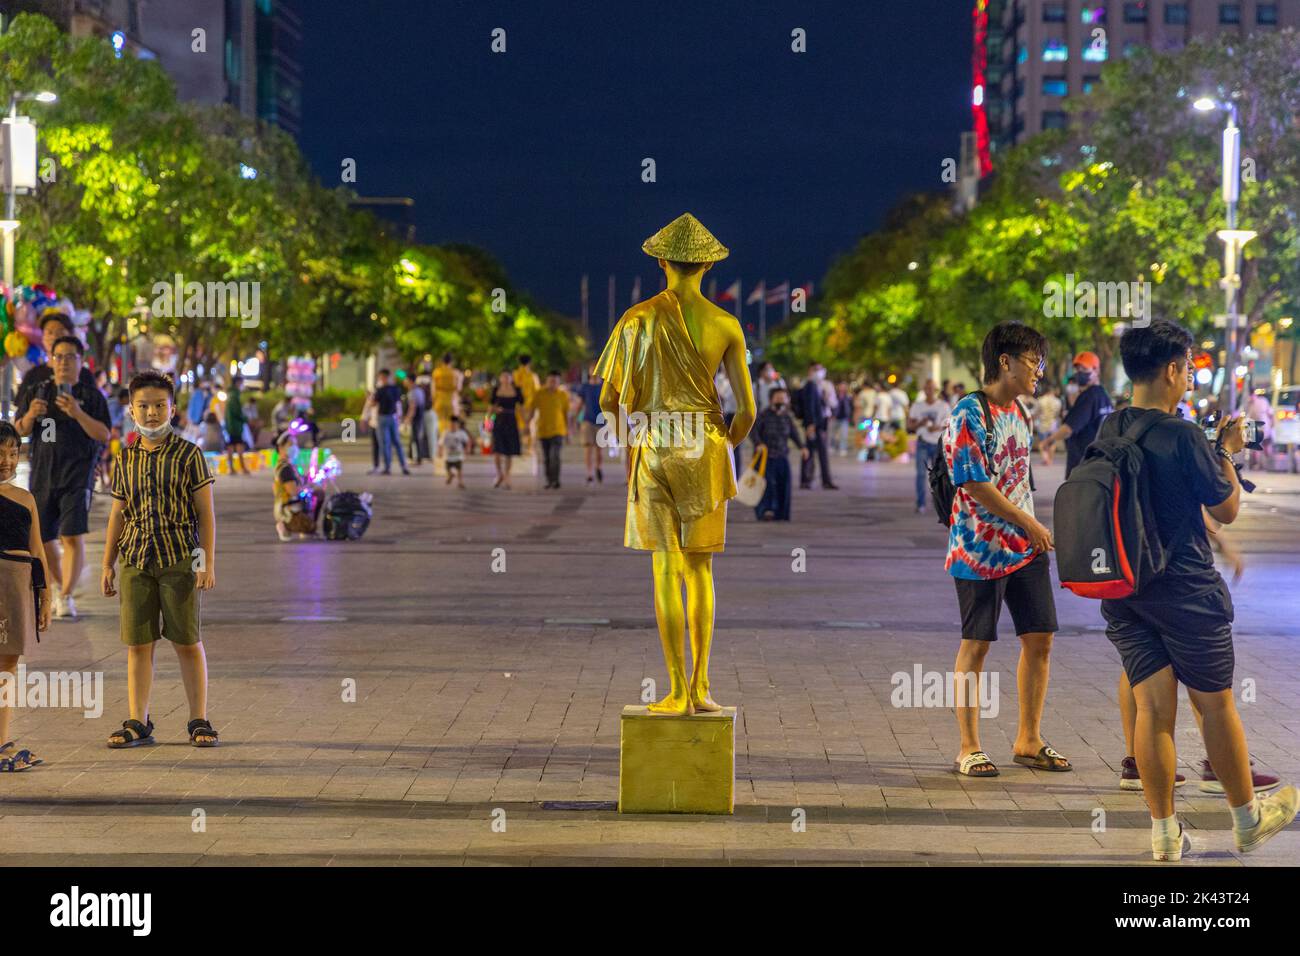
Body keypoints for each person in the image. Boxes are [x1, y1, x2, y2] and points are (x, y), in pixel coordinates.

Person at [1098, 321, 1296, 860]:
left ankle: (1164, 836)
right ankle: (1246, 819)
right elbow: (1226, 509)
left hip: (1124, 591)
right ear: (1170, 370)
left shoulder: (1110, 429)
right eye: (1187, 367)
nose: (1189, 376)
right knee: (1214, 707)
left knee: (1152, 712)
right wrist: (1227, 451)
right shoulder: (1183, 434)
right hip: (1186, 590)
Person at [595, 212, 754, 715]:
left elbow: (607, 400)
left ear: (662, 261)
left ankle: (676, 689)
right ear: (707, 265)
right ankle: (703, 686)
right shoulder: (726, 324)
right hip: (704, 443)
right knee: (700, 570)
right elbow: (747, 410)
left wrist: (629, 443)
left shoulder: (636, 319)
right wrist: (720, 444)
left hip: (654, 443)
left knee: (665, 567)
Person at [943, 322, 1069, 779]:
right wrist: (1030, 522)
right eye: (1033, 360)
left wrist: (1032, 527)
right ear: (1005, 361)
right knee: (976, 645)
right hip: (979, 551)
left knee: (1041, 639)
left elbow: (1019, 479)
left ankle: (1028, 739)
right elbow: (974, 482)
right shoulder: (968, 413)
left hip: (1025, 548)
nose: (1040, 370)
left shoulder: (1022, 412)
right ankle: (969, 747)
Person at [101, 371, 219, 749]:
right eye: (143, 406)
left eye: (159, 405)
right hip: (135, 560)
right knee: (139, 643)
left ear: (173, 408)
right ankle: (139, 720)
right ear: (131, 409)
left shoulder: (190, 455)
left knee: (187, 641)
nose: (151, 413)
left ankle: (198, 719)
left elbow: (205, 514)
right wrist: (107, 563)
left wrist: (206, 562)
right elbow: (118, 514)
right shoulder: (125, 459)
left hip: (180, 560)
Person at [13, 335, 112, 621]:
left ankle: (66, 595)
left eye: (71, 357)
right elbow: (18, 430)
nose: (64, 362)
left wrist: (78, 413)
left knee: (71, 535)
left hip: (77, 476)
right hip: (43, 476)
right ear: (51, 360)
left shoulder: (91, 397)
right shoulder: (38, 392)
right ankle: (58, 585)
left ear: (81, 362)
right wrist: (30, 416)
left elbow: (104, 434)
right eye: (59, 356)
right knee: (44, 539)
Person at [0, 422, 53, 771]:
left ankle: (2, 741)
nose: (6, 460)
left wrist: (45, 596)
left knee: (7, 666)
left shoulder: (25, 499)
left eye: (13, 453)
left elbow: (37, 552)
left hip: (16, 589)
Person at [1042, 351, 1113, 477]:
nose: (1079, 372)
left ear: (1096, 371)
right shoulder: (1103, 395)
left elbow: (1069, 428)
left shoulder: (1089, 396)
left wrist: (1049, 440)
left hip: (1083, 462)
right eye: (1077, 369)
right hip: (1099, 461)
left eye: (1084, 369)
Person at [750, 387, 807, 521]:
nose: (781, 400)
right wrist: (758, 443)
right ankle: (765, 511)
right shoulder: (763, 415)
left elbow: (794, 433)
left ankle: (781, 513)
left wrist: (802, 447)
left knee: (784, 485)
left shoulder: (787, 417)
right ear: (771, 400)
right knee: (766, 485)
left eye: (783, 398)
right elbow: (753, 432)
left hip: (782, 455)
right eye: (778, 398)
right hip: (765, 457)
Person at [908, 379, 950, 513]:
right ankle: (920, 503)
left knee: (939, 476)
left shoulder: (943, 406)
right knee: (921, 474)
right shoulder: (917, 406)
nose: (929, 391)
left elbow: (949, 423)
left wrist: (937, 427)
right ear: (924, 390)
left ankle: (939, 503)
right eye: (927, 388)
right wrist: (921, 423)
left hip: (937, 444)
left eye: (932, 388)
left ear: (936, 390)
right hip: (923, 443)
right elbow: (910, 426)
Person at [798, 364, 836, 490]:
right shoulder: (809, 385)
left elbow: (828, 404)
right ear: (810, 371)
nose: (819, 372)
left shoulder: (820, 385)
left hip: (819, 423)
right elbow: (809, 407)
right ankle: (812, 480)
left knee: (816, 452)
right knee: (814, 453)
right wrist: (811, 424)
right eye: (816, 370)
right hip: (814, 425)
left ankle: (810, 480)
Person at [529, 370, 570, 489]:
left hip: (558, 430)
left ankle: (555, 480)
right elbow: (532, 410)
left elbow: (566, 414)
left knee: (555, 456)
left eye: (555, 381)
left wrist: (568, 431)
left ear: (558, 382)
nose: (553, 383)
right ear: (546, 381)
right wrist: (527, 424)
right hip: (543, 430)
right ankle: (549, 480)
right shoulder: (539, 394)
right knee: (546, 457)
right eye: (551, 381)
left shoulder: (563, 395)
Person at [369, 369, 410, 476]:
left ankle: (387, 467)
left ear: (383, 377)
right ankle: (404, 466)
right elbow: (398, 403)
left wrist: (369, 397)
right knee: (397, 442)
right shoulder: (396, 389)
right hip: (393, 417)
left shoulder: (380, 390)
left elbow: (373, 404)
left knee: (385, 443)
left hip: (382, 418)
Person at [272, 430, 308, 542]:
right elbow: (293, 491)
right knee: (314, 496)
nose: (295, 447)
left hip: (284, 507)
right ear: (281, 447)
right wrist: (307, 489)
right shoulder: (285, 468)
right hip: (287, 509)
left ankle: (298, 526)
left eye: (295, 444)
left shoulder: (288, 465)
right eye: (291, 444)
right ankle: (288, 525)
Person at [490, 370, 523, 489]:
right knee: (497, 450)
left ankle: (507, 475)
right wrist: (488, 423)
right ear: (500, 378)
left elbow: (521, 407)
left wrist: (526, 424)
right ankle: (499, 474)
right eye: (503, 376)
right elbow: (491, 408)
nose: (506, 379)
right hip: (499, 421)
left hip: (511, 420)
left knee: (509, 450)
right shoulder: (496, 390)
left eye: (508, 377)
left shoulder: (517, 391)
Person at [575, 367, 605, 484]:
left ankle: (599, 467)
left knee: (599, 450)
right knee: (588, 448)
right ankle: (589, 473)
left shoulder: (604, 387)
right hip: (587, 421)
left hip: (602, 422)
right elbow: (580, 404)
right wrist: (575, 419)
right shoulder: (585, 387)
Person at [431, 353, 461, 460]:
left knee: (440, 424)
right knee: (451, 425)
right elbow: (458, 388)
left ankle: (440, 445)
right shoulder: (455, 373)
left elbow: (433, 390)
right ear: (451, 361)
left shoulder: (436, 372)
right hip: (452, 401)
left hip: (439, 400)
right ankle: (449, 448)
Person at [513, 354, 540, 455]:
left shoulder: (514, 375)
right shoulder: (533, 376)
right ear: (530, 363)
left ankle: (519, 449)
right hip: (530, 407)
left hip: (517, 407)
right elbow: (537, 393)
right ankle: (530, 449)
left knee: (519, 428)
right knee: (530, 427)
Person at [224, 375, 251, 475]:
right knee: (238, 445)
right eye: (241, 383)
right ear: (237, 383)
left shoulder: (231, 394)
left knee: (231, 446)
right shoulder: (234, 395)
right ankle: (241, 467)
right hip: (235, 426)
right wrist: (245, 419)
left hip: (231, 425)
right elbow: (237, 412)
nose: (242, 385)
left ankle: (232, 468)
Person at [1243, 389, 1273, 472]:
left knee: (1266, 445)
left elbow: (1270, 413)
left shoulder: (1263, 401)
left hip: (1264, 424)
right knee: (1256, 446)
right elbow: (1247, 415)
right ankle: (1257, 464)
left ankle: (1268, 463)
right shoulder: (1249, 403)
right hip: (1253, 424)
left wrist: (1271, 424)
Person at [1034, 384, 1062, 465]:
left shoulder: (1040, 400)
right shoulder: (1058, 401)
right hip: (1053, 425)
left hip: (1042, 425)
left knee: (1042, 443)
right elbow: (1057, 414)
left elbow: (1037, 412)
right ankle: (1050, 459)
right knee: (1052, 444)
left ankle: (1045, 458)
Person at [441, 416, 470, 488]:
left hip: (458, 455)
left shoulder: (461, 433)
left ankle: (460, 482)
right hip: (448, 456)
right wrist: (440, 451)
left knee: (459, 469)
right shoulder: (446, 433)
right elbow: (441, 443)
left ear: (458, 425)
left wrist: (467, 450)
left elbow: (467, 442)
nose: (453, 426)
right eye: (451, 424)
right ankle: (450, 475)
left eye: (455, 424)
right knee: (447, 468)